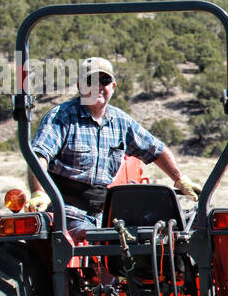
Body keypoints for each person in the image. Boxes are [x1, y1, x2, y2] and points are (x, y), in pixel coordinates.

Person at [26, 57, 201, 230]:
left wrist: (179, 179)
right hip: (67, 213)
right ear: (80, 86)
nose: (99, 87)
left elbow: (156, 150)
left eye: (105, 80)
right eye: (91, 80)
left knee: (157, 233)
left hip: (104, 214)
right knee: (97, 241)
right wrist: (39, 192)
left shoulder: (120, 121)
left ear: (113, 86)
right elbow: (39, 156)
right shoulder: (62, 116)